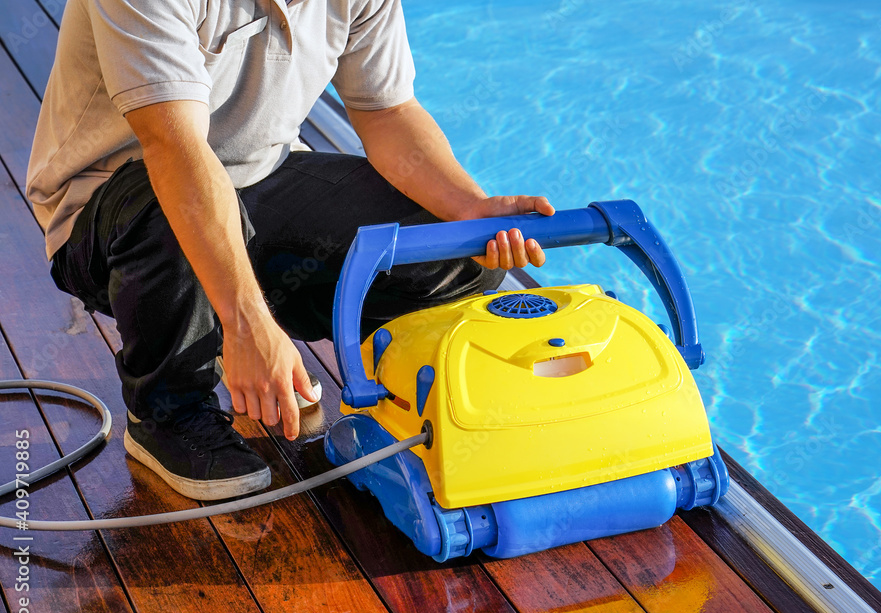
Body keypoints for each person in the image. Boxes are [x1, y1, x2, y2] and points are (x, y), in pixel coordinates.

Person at [27, 0, 552, 501]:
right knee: (169, 207)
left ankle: (257, 327)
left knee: (455, 252)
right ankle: (169, 413)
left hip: (258, 179)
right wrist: (248, 323)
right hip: (115, 209)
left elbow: (387, 112)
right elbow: (174, 148)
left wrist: (468, 207)